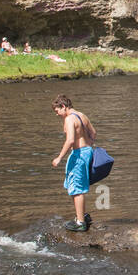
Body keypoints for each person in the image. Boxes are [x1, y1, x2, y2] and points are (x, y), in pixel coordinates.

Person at [51, 94, 97, 232]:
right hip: (87, 151)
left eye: (57, 111)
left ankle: (81, 223)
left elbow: (70, 140)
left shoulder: (70, 119)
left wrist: (59, 157)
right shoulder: (82, 115)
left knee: (76, 187)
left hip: (79, 154)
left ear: (63, 106)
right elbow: (93, 133)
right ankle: (81, 216)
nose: (57, 114)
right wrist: (87, 146)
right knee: (74, 184)